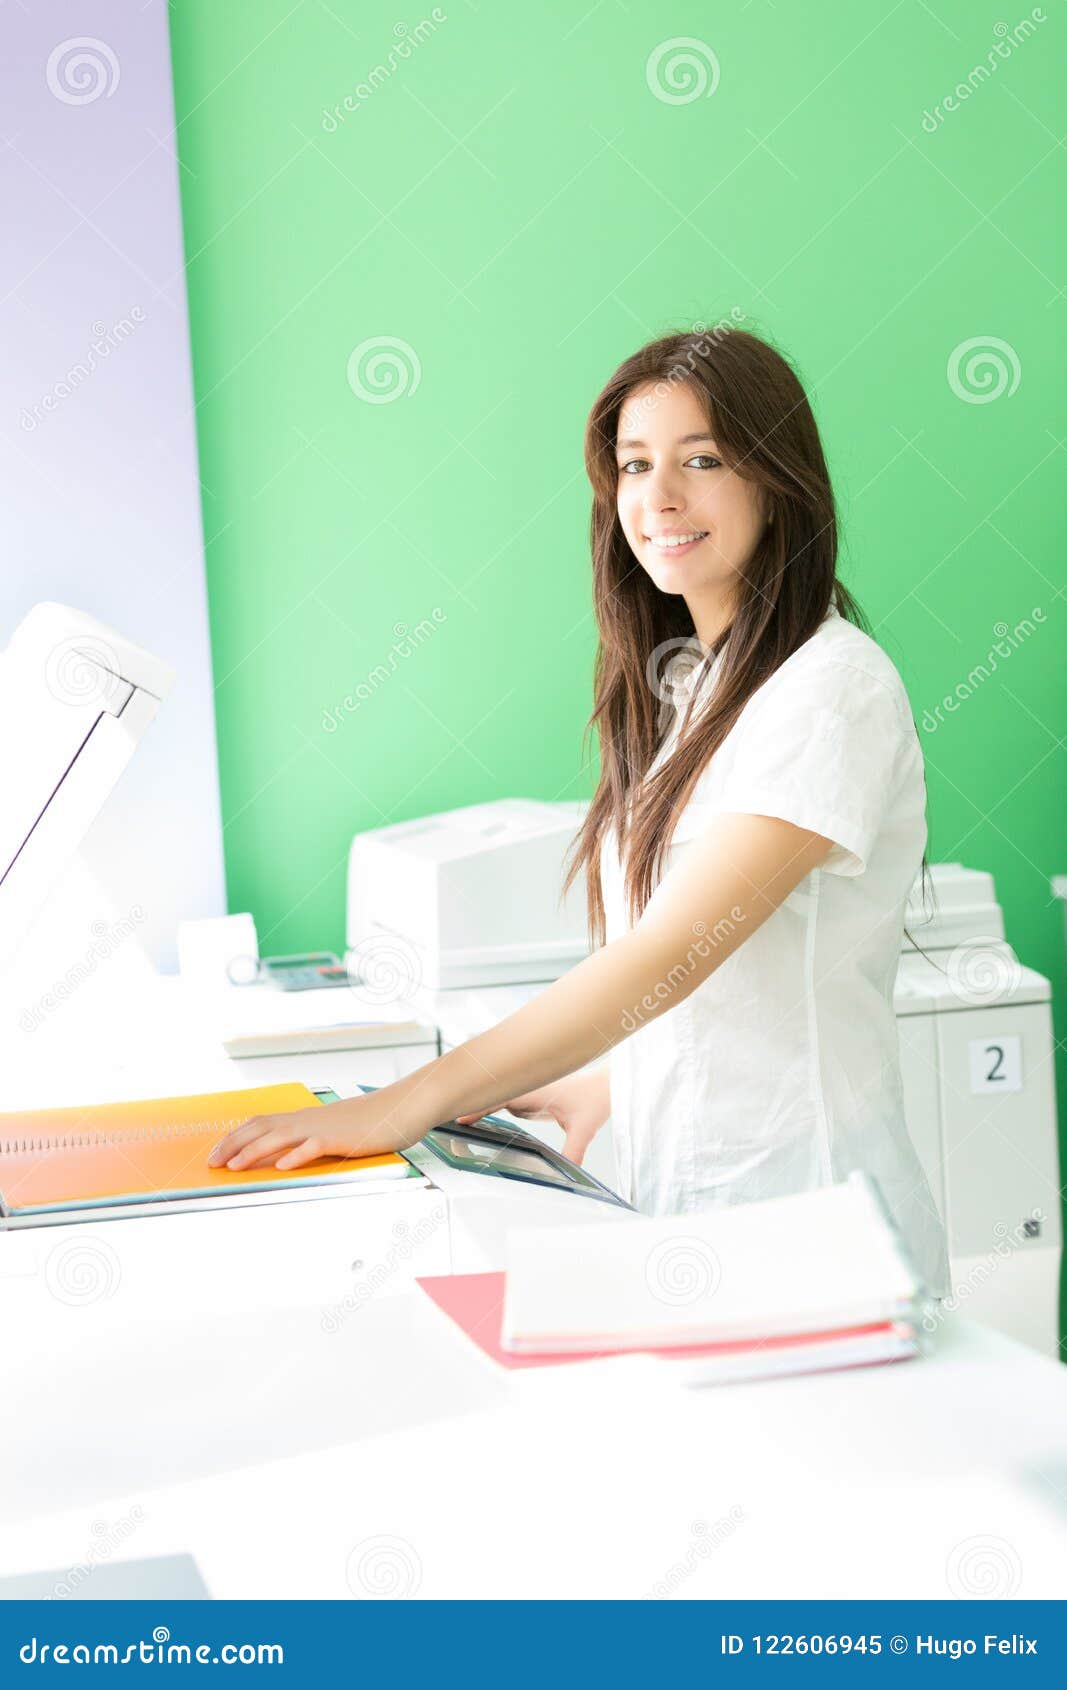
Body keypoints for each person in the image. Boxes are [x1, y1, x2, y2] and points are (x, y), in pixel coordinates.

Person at [209, 325, 949, 1297]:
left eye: (702, 460)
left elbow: (671, 955)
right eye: (634, 465)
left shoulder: (829, 687)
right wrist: (612, 1083)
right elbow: (719, 995)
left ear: (777, 481)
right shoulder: (688, 687)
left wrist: (404, 1103)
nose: (659, 498)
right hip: (694, 1217)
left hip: (806, 1224)